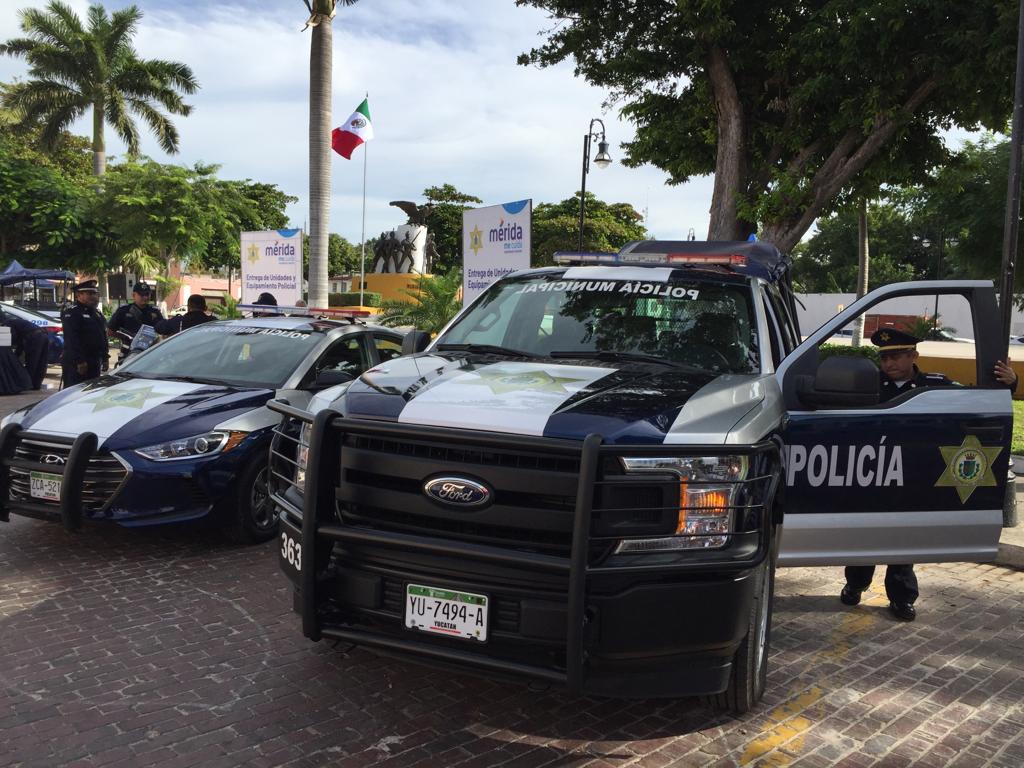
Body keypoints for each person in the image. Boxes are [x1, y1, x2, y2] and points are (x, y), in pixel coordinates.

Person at [839, 328, 1018, 621]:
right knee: (864, 534)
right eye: (884, 358)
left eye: (896, 356)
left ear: (914, 356)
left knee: (903, 538)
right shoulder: (867, 385)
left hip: (913, 475)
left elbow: (976, 399)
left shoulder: (934, 386)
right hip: (873, 473)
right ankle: (855, 583)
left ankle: (901, 597)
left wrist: (1011, 384)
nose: (889, 364)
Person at [61, 280, 109, 387]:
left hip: (94, 359)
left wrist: (105, 357)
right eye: (89, 294)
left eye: (95, 293)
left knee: (91, 391)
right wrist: (80, 361)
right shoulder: (72, 312)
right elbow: (72, 338)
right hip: (78, 361)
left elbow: (102, 336)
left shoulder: (96, 313)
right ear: (79, 295)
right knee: (74, 392)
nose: (94, 296)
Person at [108, 282, 164, 353]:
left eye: (147, 294)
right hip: (129, 351)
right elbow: (110, 331)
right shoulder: (123, 311)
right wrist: (126, 338)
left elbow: (163, 330)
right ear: (134, 295)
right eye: (142, 295)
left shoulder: (155, 311)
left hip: (150, 351)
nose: (145, 297)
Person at [1, 308, 49, 389]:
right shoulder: (15, 322)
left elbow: (14, 338)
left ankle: (28, 384)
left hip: (34, 338)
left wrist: (13, 354)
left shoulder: (8, 323)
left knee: (32, 362)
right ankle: (36, 385)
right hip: (44, 336)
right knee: (41, 362)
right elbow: (20, 341)